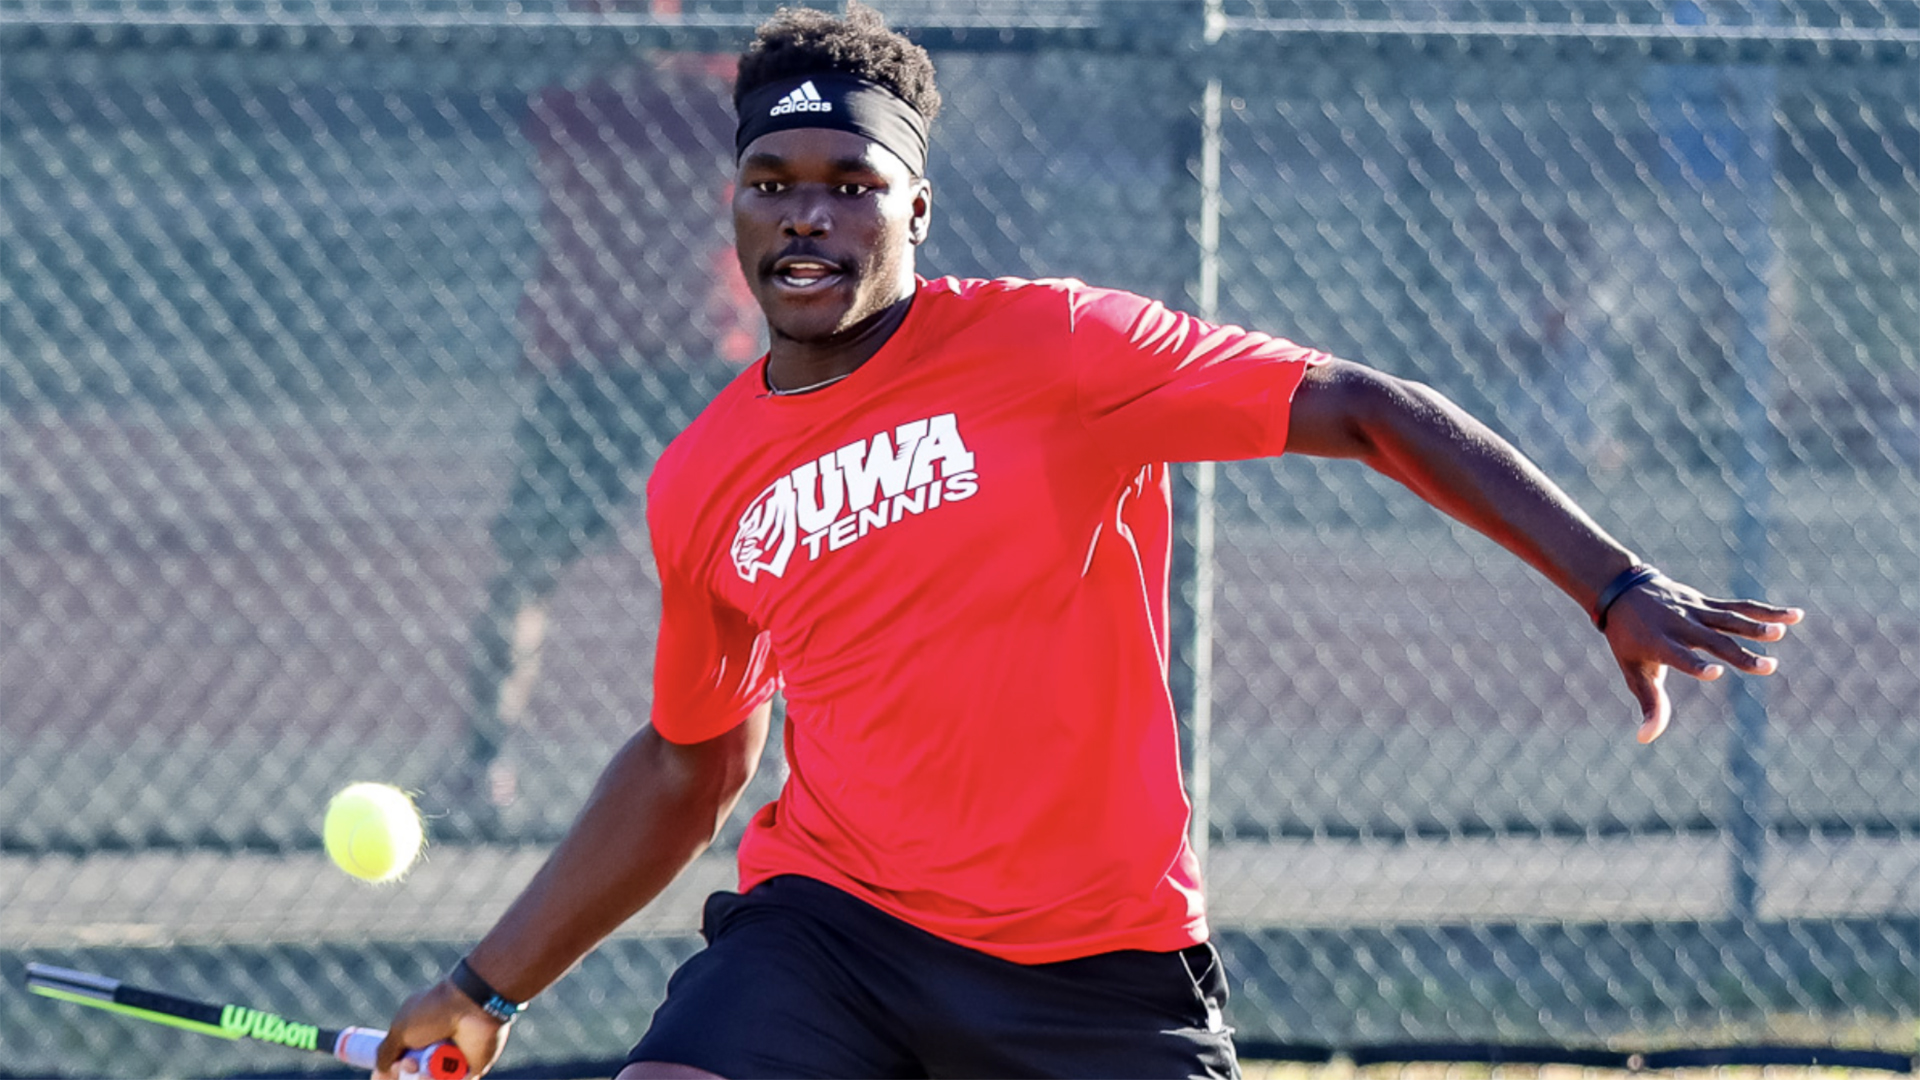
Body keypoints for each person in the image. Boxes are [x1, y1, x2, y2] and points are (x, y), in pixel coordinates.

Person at [380, 5, 1802, 1076]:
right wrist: (488, 986)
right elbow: (694, 760)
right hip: (835, 934)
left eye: (849, 183)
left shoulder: (1054, 345)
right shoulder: (704, 474)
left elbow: (1367, 409)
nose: (807, 215)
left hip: (1099, 970)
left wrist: (1612, 583)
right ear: (735, 204)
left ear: (917, 206)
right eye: (774, 181)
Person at [460, 50, 760, 827]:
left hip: (701, 350)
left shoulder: (723, 92)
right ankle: (483, 765)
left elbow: (737, 122)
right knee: (526, 562)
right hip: (587, 357)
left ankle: (786, 783)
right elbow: (590, 106)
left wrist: (681, 72)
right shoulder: (577, 92)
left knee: (762, 571)